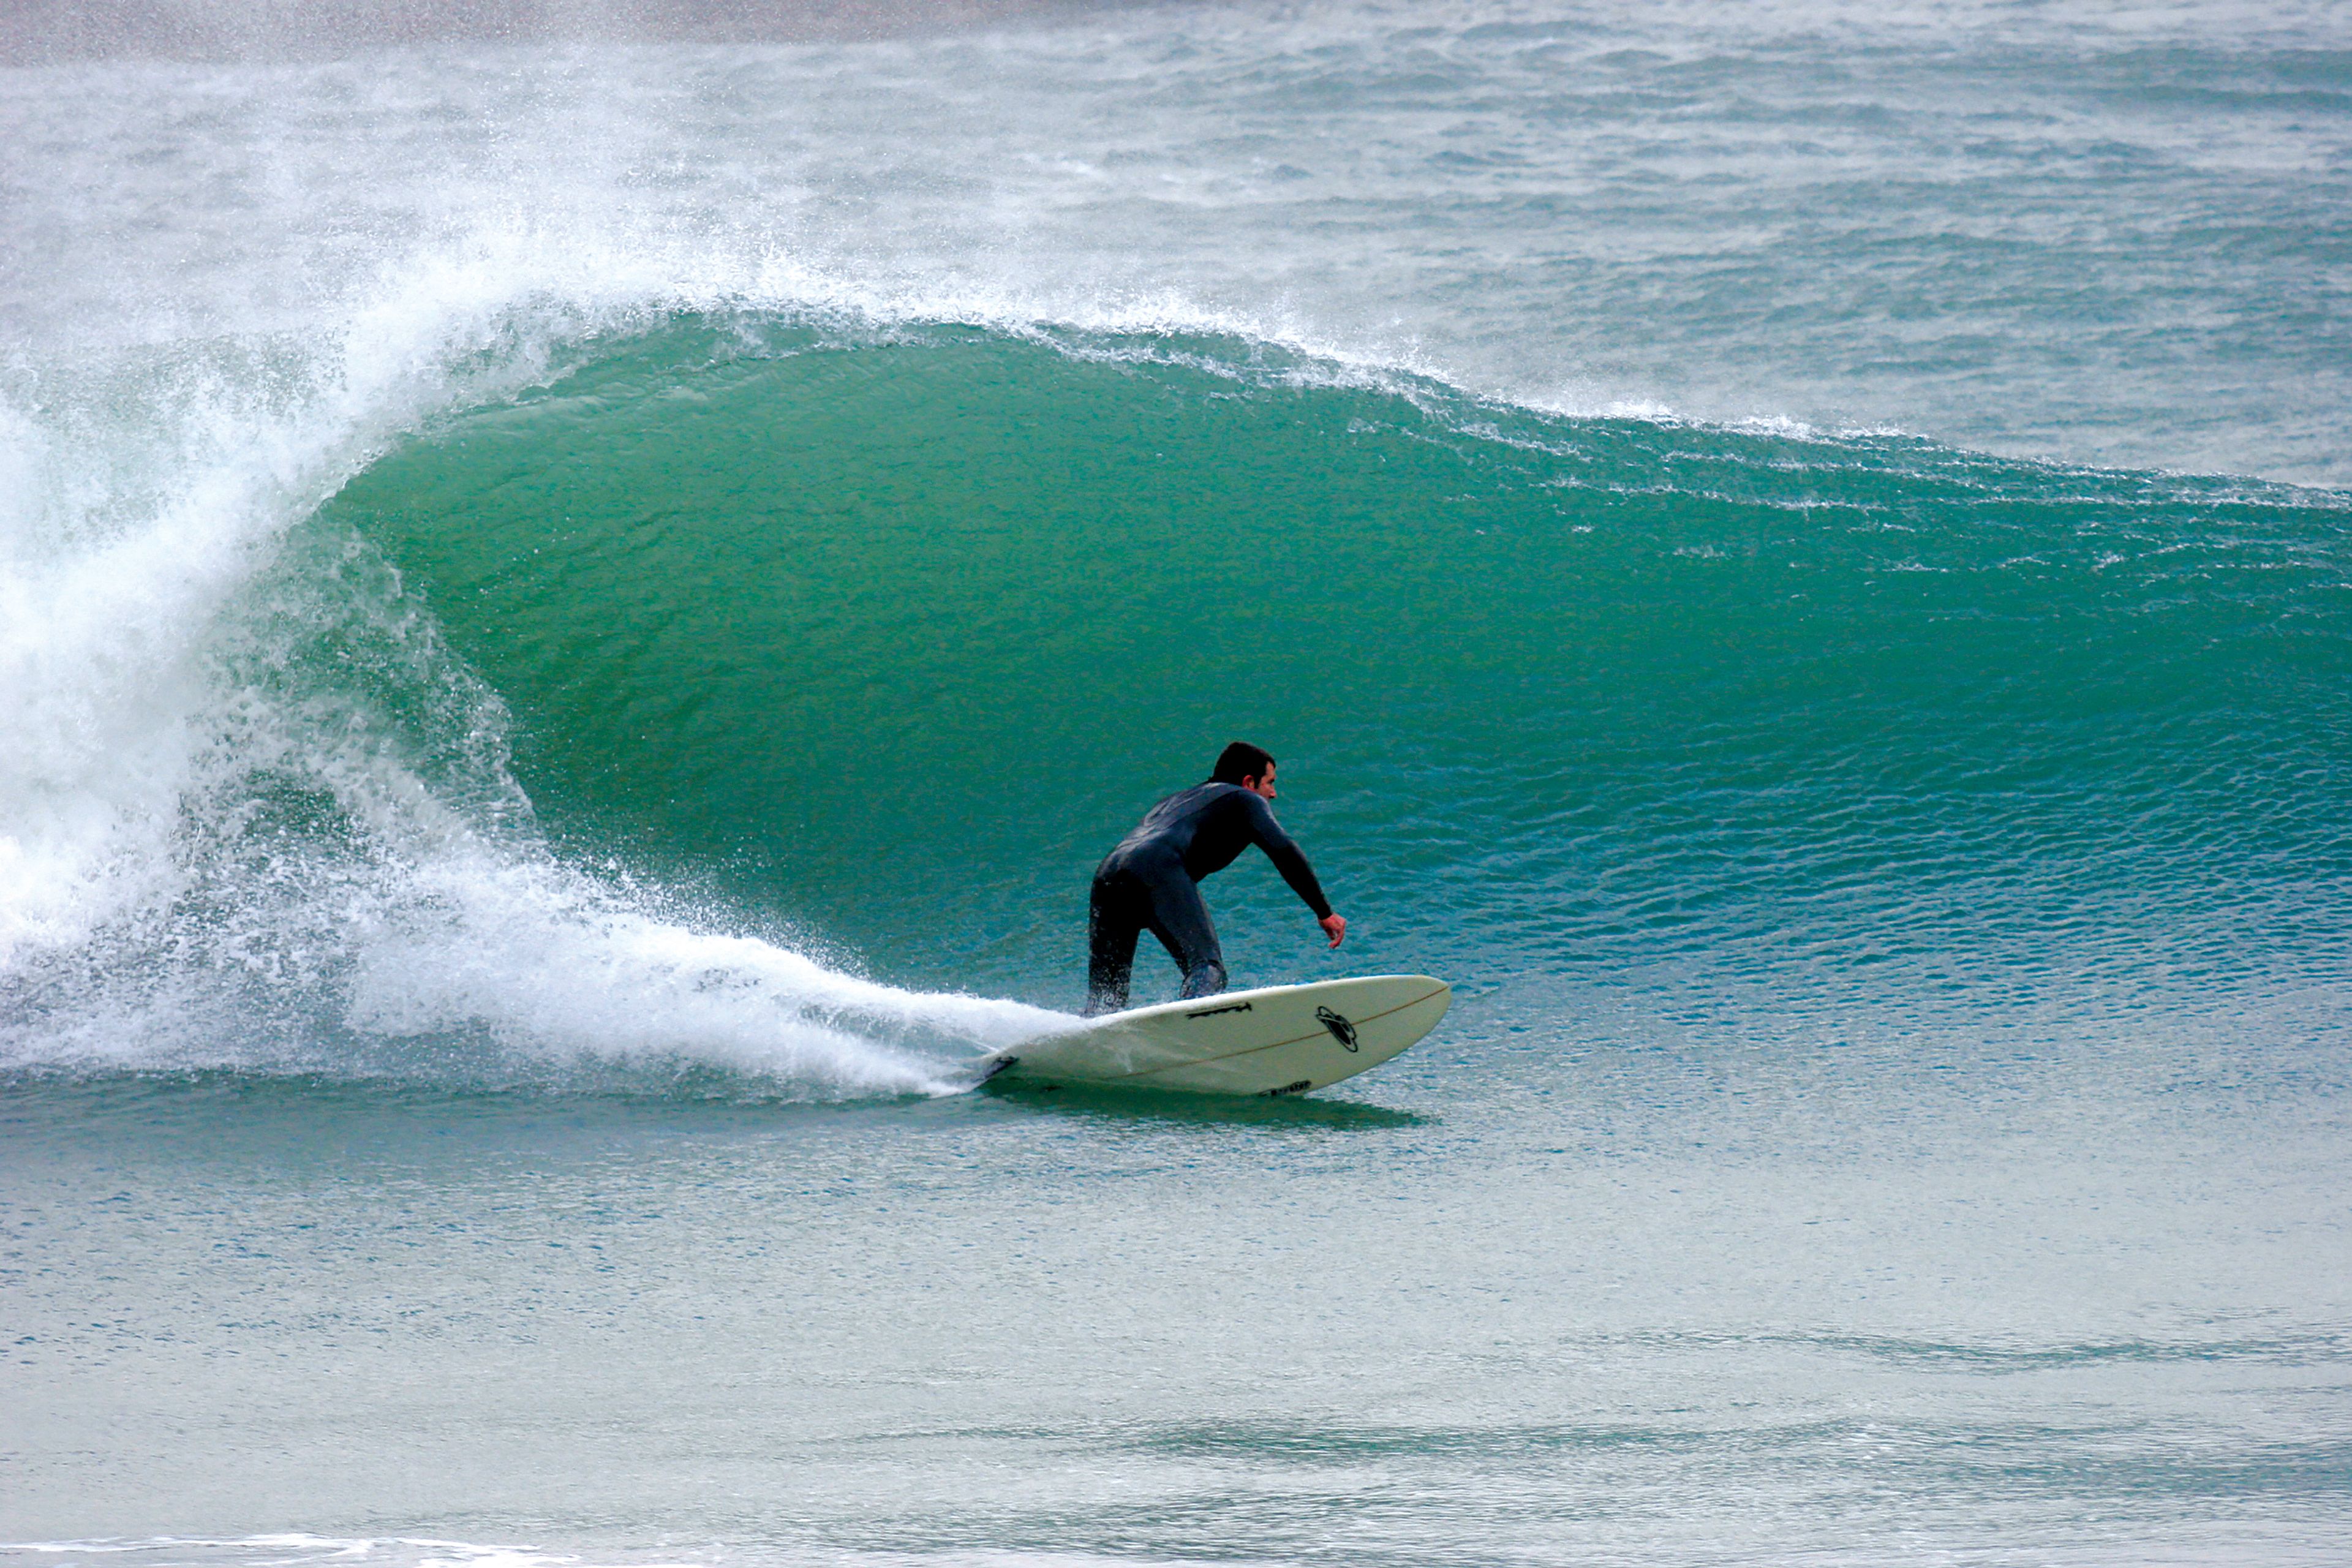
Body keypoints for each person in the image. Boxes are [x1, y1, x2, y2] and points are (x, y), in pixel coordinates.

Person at [1084, 741, 1346, 1016]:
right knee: (1208, 968)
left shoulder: (1174, 802)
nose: (1274, 793)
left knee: (1107, 995)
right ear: (1249, 781)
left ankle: (1086, 1039)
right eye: (1270, 783)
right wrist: (1324, 911)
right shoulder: (1244, 799)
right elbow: (1283, 849)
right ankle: (1188, 1024)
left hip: (1108, 875)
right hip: (1156, 865)